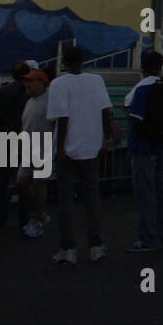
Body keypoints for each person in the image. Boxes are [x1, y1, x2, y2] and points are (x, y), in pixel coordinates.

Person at [46, 47, 112, 265]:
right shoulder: (96, 81)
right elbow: (106, 112)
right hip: (92, 147)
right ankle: (95, 246)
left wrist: (62, 148)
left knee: (65, 201)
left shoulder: (58, 84)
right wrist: (105, 139)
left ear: (64, 61)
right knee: (93, 199)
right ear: (83, 61)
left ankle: (68, 248)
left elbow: (62, 118)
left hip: (68, 150)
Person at [126, 51, 163, 253]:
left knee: (145, 194)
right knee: (162, 192)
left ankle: (149, 238)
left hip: (142, 147)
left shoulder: (140, 90)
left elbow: (134, 116)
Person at [0, 62, 30, 230]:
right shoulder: (30, 94)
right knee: (24, 182)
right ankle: (25, 220)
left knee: (1, 181)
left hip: (4, 138)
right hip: (25, 139)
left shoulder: (3, 91)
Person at [17, 69, 55, 238]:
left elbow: (59, 124)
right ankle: (39, 213)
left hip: (44, 148)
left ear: (42, 83)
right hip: (28, 148)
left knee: (39, 184)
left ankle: (38, 219)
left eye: (31, 81)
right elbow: (26, 125)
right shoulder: (29, 101)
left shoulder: (50, 100)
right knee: (22, 183)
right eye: (26, 81)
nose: (27, 84)